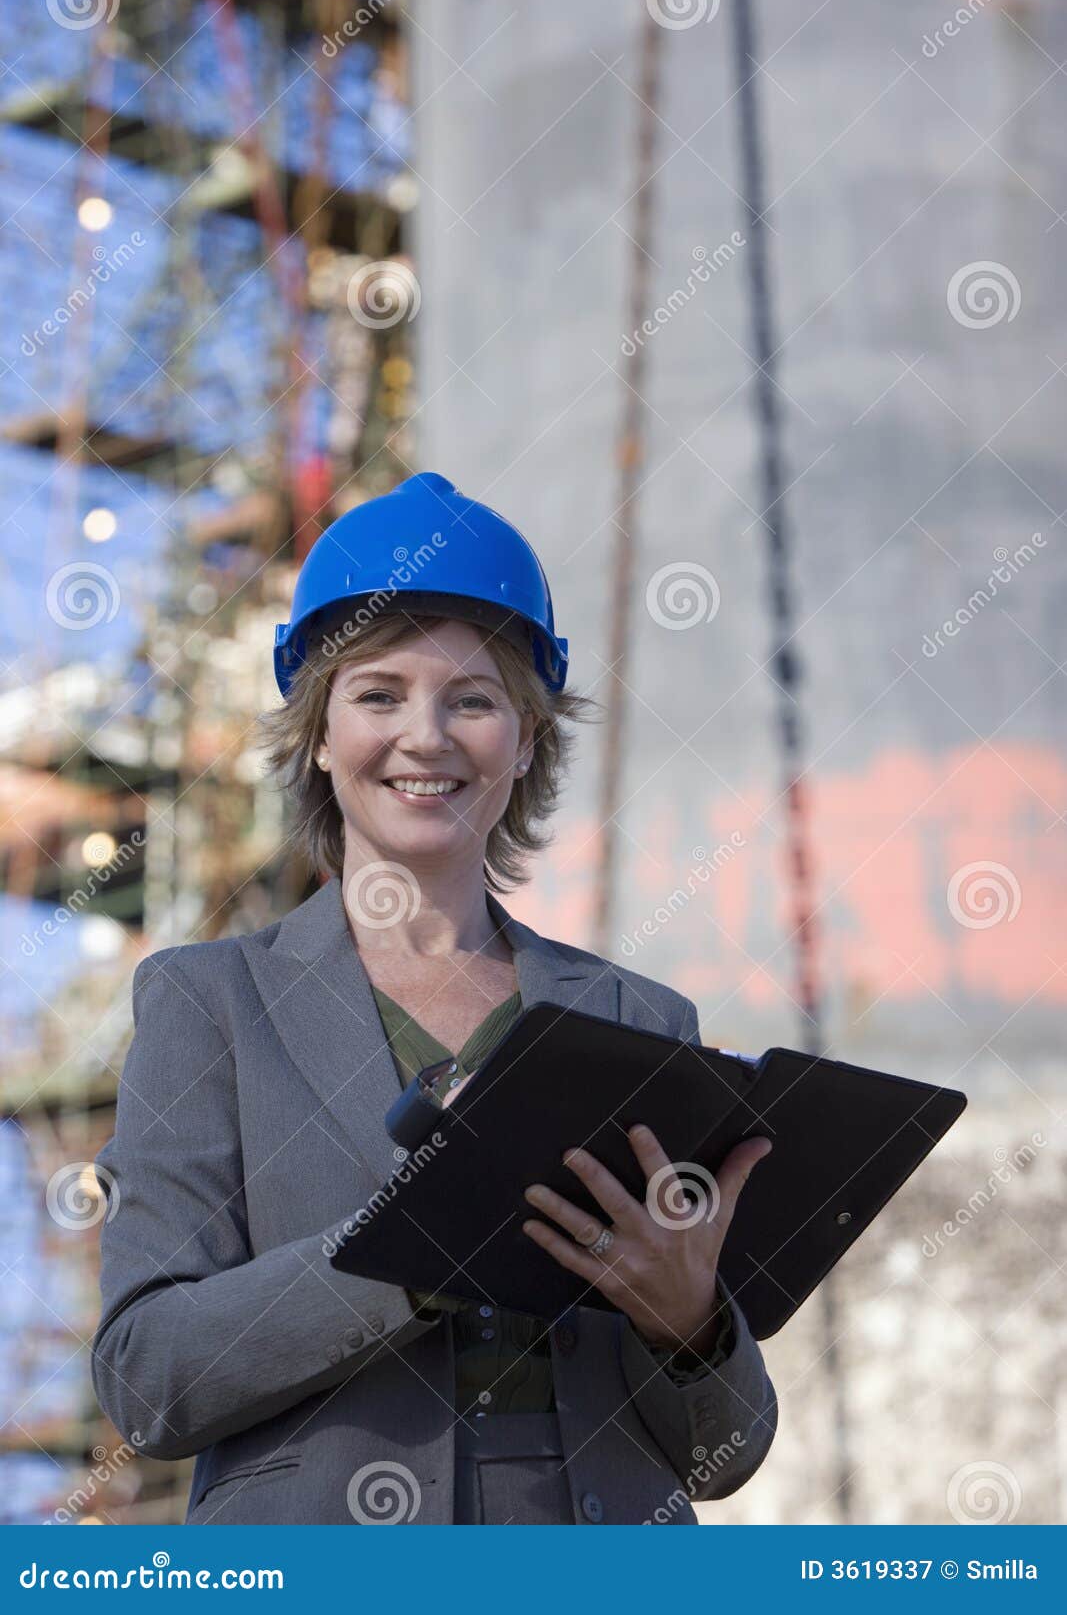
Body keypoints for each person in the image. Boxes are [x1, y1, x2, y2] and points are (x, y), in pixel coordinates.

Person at [91, 471, 777, 1525]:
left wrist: (689, 1321)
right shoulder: (210, 1005)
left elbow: (719, 1455)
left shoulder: (639, 1022)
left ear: (526, 738)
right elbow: (148, 1379)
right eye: (378, 694)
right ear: (318, 735)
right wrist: (415, 1248)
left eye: (473, 698)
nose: (427, 735)